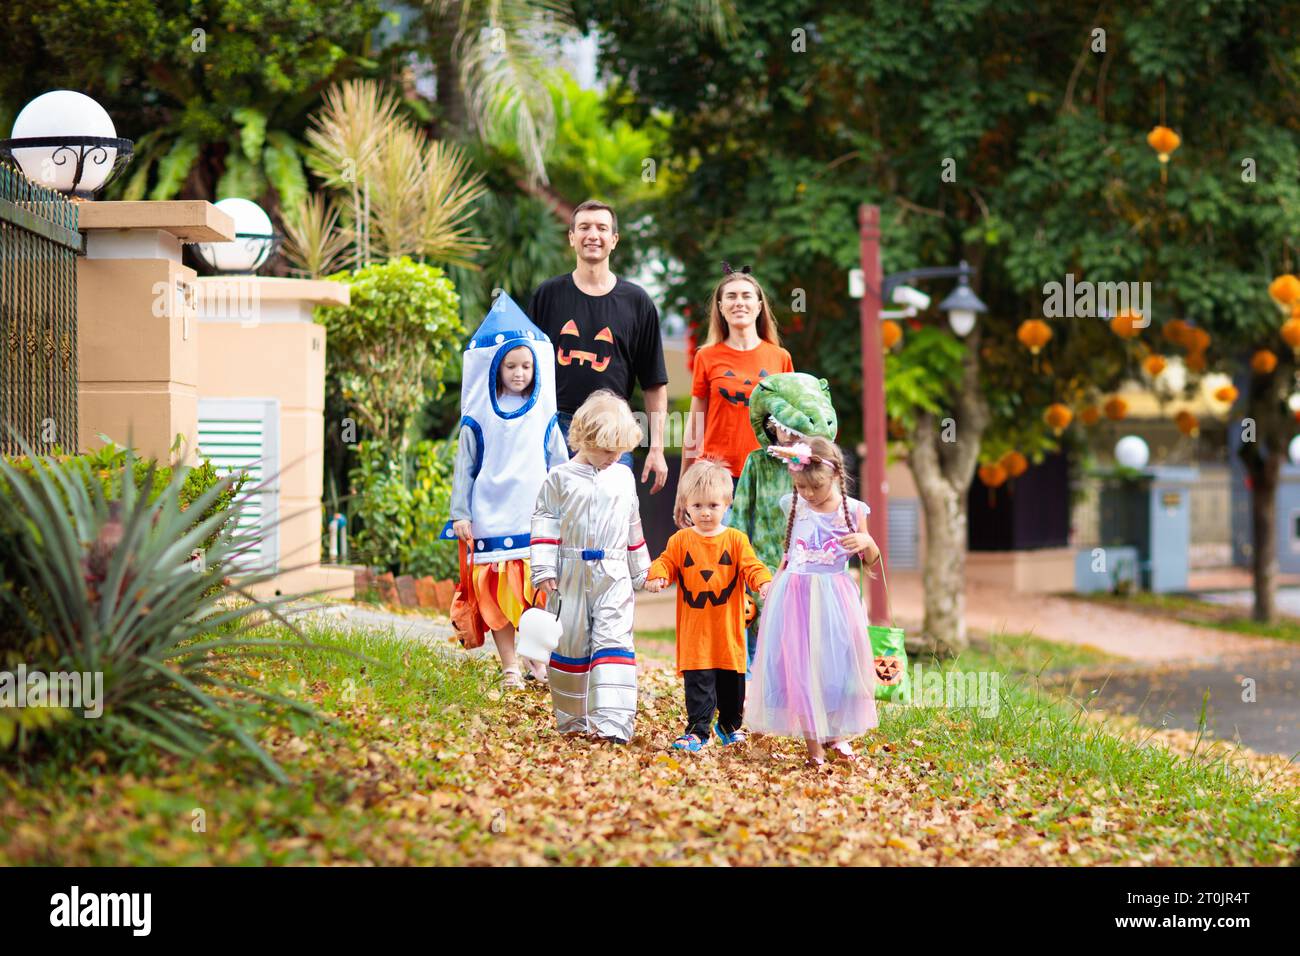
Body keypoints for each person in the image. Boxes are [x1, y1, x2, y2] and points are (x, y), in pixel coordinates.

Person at [448, 292, 569, 689]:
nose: (519, 373)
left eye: (526, 365)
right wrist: (460, 513)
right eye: (511, 366)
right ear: (496, 368)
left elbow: (560, 466)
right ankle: (510, 666)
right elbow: (464, 468)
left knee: (538, 596)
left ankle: (537, 661)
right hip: (491, 517)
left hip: (536, 520)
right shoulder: (478, 416)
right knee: (498, 600)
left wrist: (568, 508)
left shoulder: (543, 414)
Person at [745, 437, 881, 767]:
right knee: (801, 669)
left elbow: (873, 562)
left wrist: (866, 540)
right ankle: (814, 751)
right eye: (801, 486)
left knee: (835, 670)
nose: (807, 494)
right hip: (795, 597)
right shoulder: (794, 506)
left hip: (835, 599)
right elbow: (788, 553)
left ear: (836, 476)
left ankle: (833, 732)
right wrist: (772, 587)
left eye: (814, 487)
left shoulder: (852, 511)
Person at [530, 390, 651, 743]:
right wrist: (544, 570)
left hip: (613, 574)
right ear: (585, 438)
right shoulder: (560, 477)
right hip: (568, 574)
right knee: (569, 648)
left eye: (620, 450)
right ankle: (574, 723)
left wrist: (641, 571)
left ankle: (614, 725)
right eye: (607, 449)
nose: (615, 457)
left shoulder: (622, 478)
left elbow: (633, 526)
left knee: (614, 642)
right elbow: (544, 520)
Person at [527, 199, 670, 493]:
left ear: (614, 240)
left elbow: (654, 382)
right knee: (554, 522)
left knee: (611, 524)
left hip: (613, 428)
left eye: (602, 228)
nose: (593, 235)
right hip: (553, 426)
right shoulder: (548, 295)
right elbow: (527, 368)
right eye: (584, 227)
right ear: (571, 238)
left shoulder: (637, 302)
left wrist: (656, 447)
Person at [646, 459, 772, 752]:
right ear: (686, 505)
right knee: (699, 686)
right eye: (698, 505)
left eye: (713, 505)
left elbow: (752, 567)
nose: (705, 512)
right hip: (696, 634)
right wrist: (659, 576)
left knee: (733, 687)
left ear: (727, 504)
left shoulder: (736, 541)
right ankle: (697, 730)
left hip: (729, 633)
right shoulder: (681, 541)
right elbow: (665, 563)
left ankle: (729, 727)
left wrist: (763, 582)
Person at [675, 263, 793, 525]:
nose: (739, 302)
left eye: (746, 296)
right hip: (717, 476)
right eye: (731, 296)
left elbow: (791, 427)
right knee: (719, 559)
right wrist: (684, 486)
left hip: (766, 473)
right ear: (720, 307)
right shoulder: (706, 357)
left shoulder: (780, 358)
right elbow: (695, 425)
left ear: (759, 306)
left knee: (761, 561)